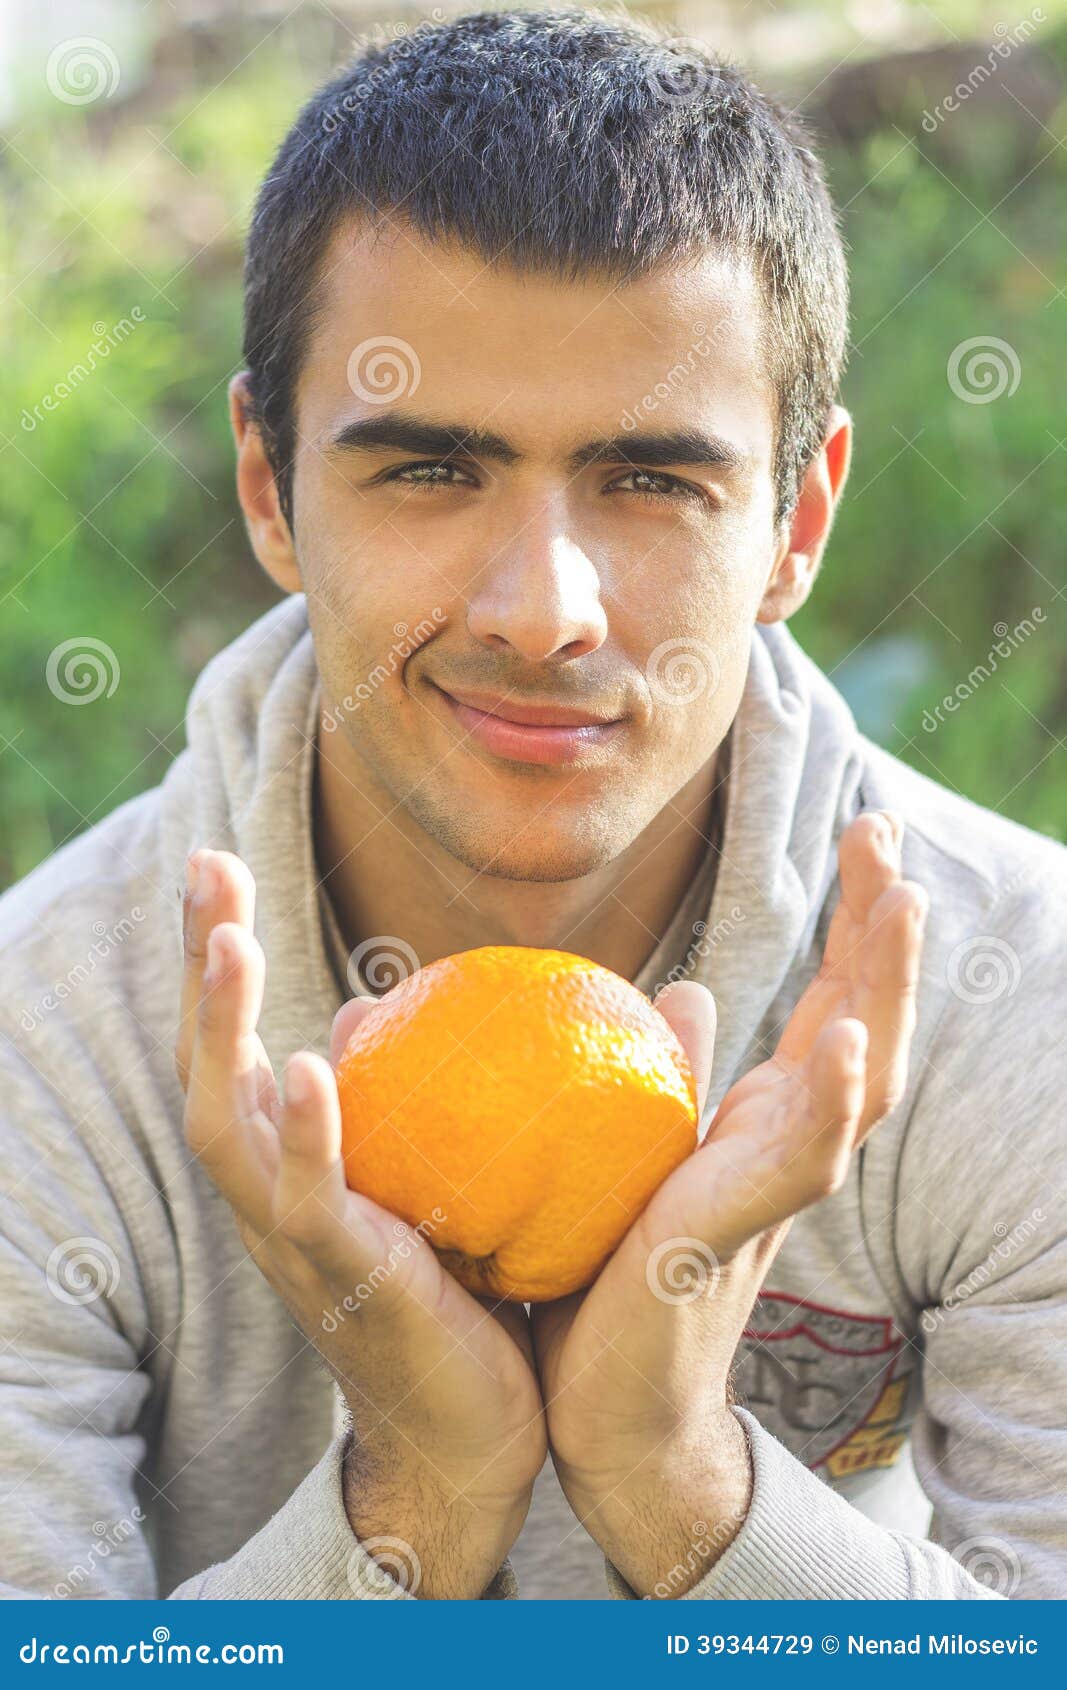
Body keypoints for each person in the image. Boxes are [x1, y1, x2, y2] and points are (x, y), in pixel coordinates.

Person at [1, 8, 1064, 1602]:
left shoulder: (1021, 1002)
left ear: (801, 521)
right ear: (267, 484)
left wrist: (683, 1488)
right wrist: (414, 1502)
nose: (543, 609)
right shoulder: (44, 1042)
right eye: (430, 470)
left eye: (650, 479)